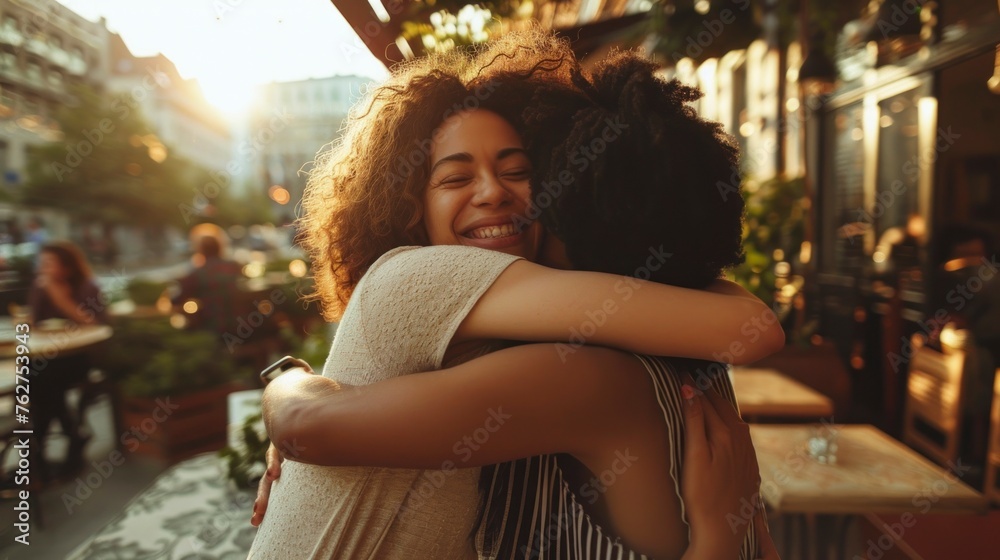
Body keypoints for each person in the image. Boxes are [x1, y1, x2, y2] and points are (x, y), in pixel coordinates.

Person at [249, 29, 780, 559]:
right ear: (408, 206)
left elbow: (308, 425)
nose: (493, 192)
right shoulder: (427, 283)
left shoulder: (566, 366)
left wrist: (291, 384)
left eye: (519, 171)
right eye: (455, 178)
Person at [28, 241, 106, 477]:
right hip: (51, 358)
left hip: (82, 357)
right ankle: (70, 435)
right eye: (42, 263)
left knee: (42, 380)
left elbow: (95, 324)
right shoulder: (41, 287)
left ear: (68, 268)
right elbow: (33, 324)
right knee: (35, 378)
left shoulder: (87, 287)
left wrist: (60, 298)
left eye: (49, 263)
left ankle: (36, 452)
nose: (43, 268)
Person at [171, 225, 244, 335]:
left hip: (212, 327)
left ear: (200, 250)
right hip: (242, 322)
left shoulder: (197, 273)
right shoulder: (234, 266)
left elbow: (177, 300)